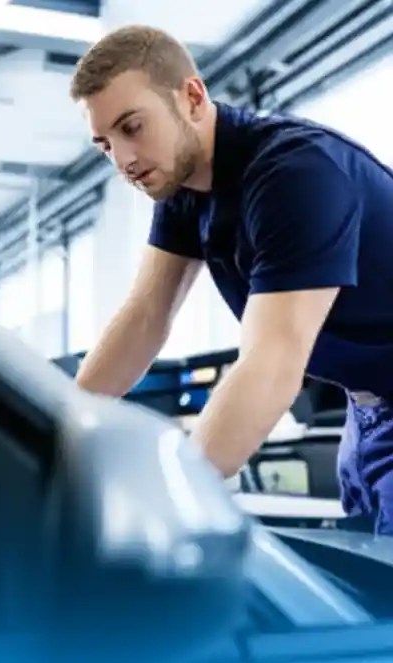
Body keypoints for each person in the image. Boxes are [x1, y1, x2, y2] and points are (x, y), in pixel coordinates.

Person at [70, 25, 393, 533]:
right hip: (368, 409)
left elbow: (270, 366)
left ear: (192, 97)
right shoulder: (183, 187)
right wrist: (55, 429)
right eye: (104, 144)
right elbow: (144, 318)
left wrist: (170, 501)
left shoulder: (295, 176)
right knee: (370, 583)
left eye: (132, 127)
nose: (123, 161)